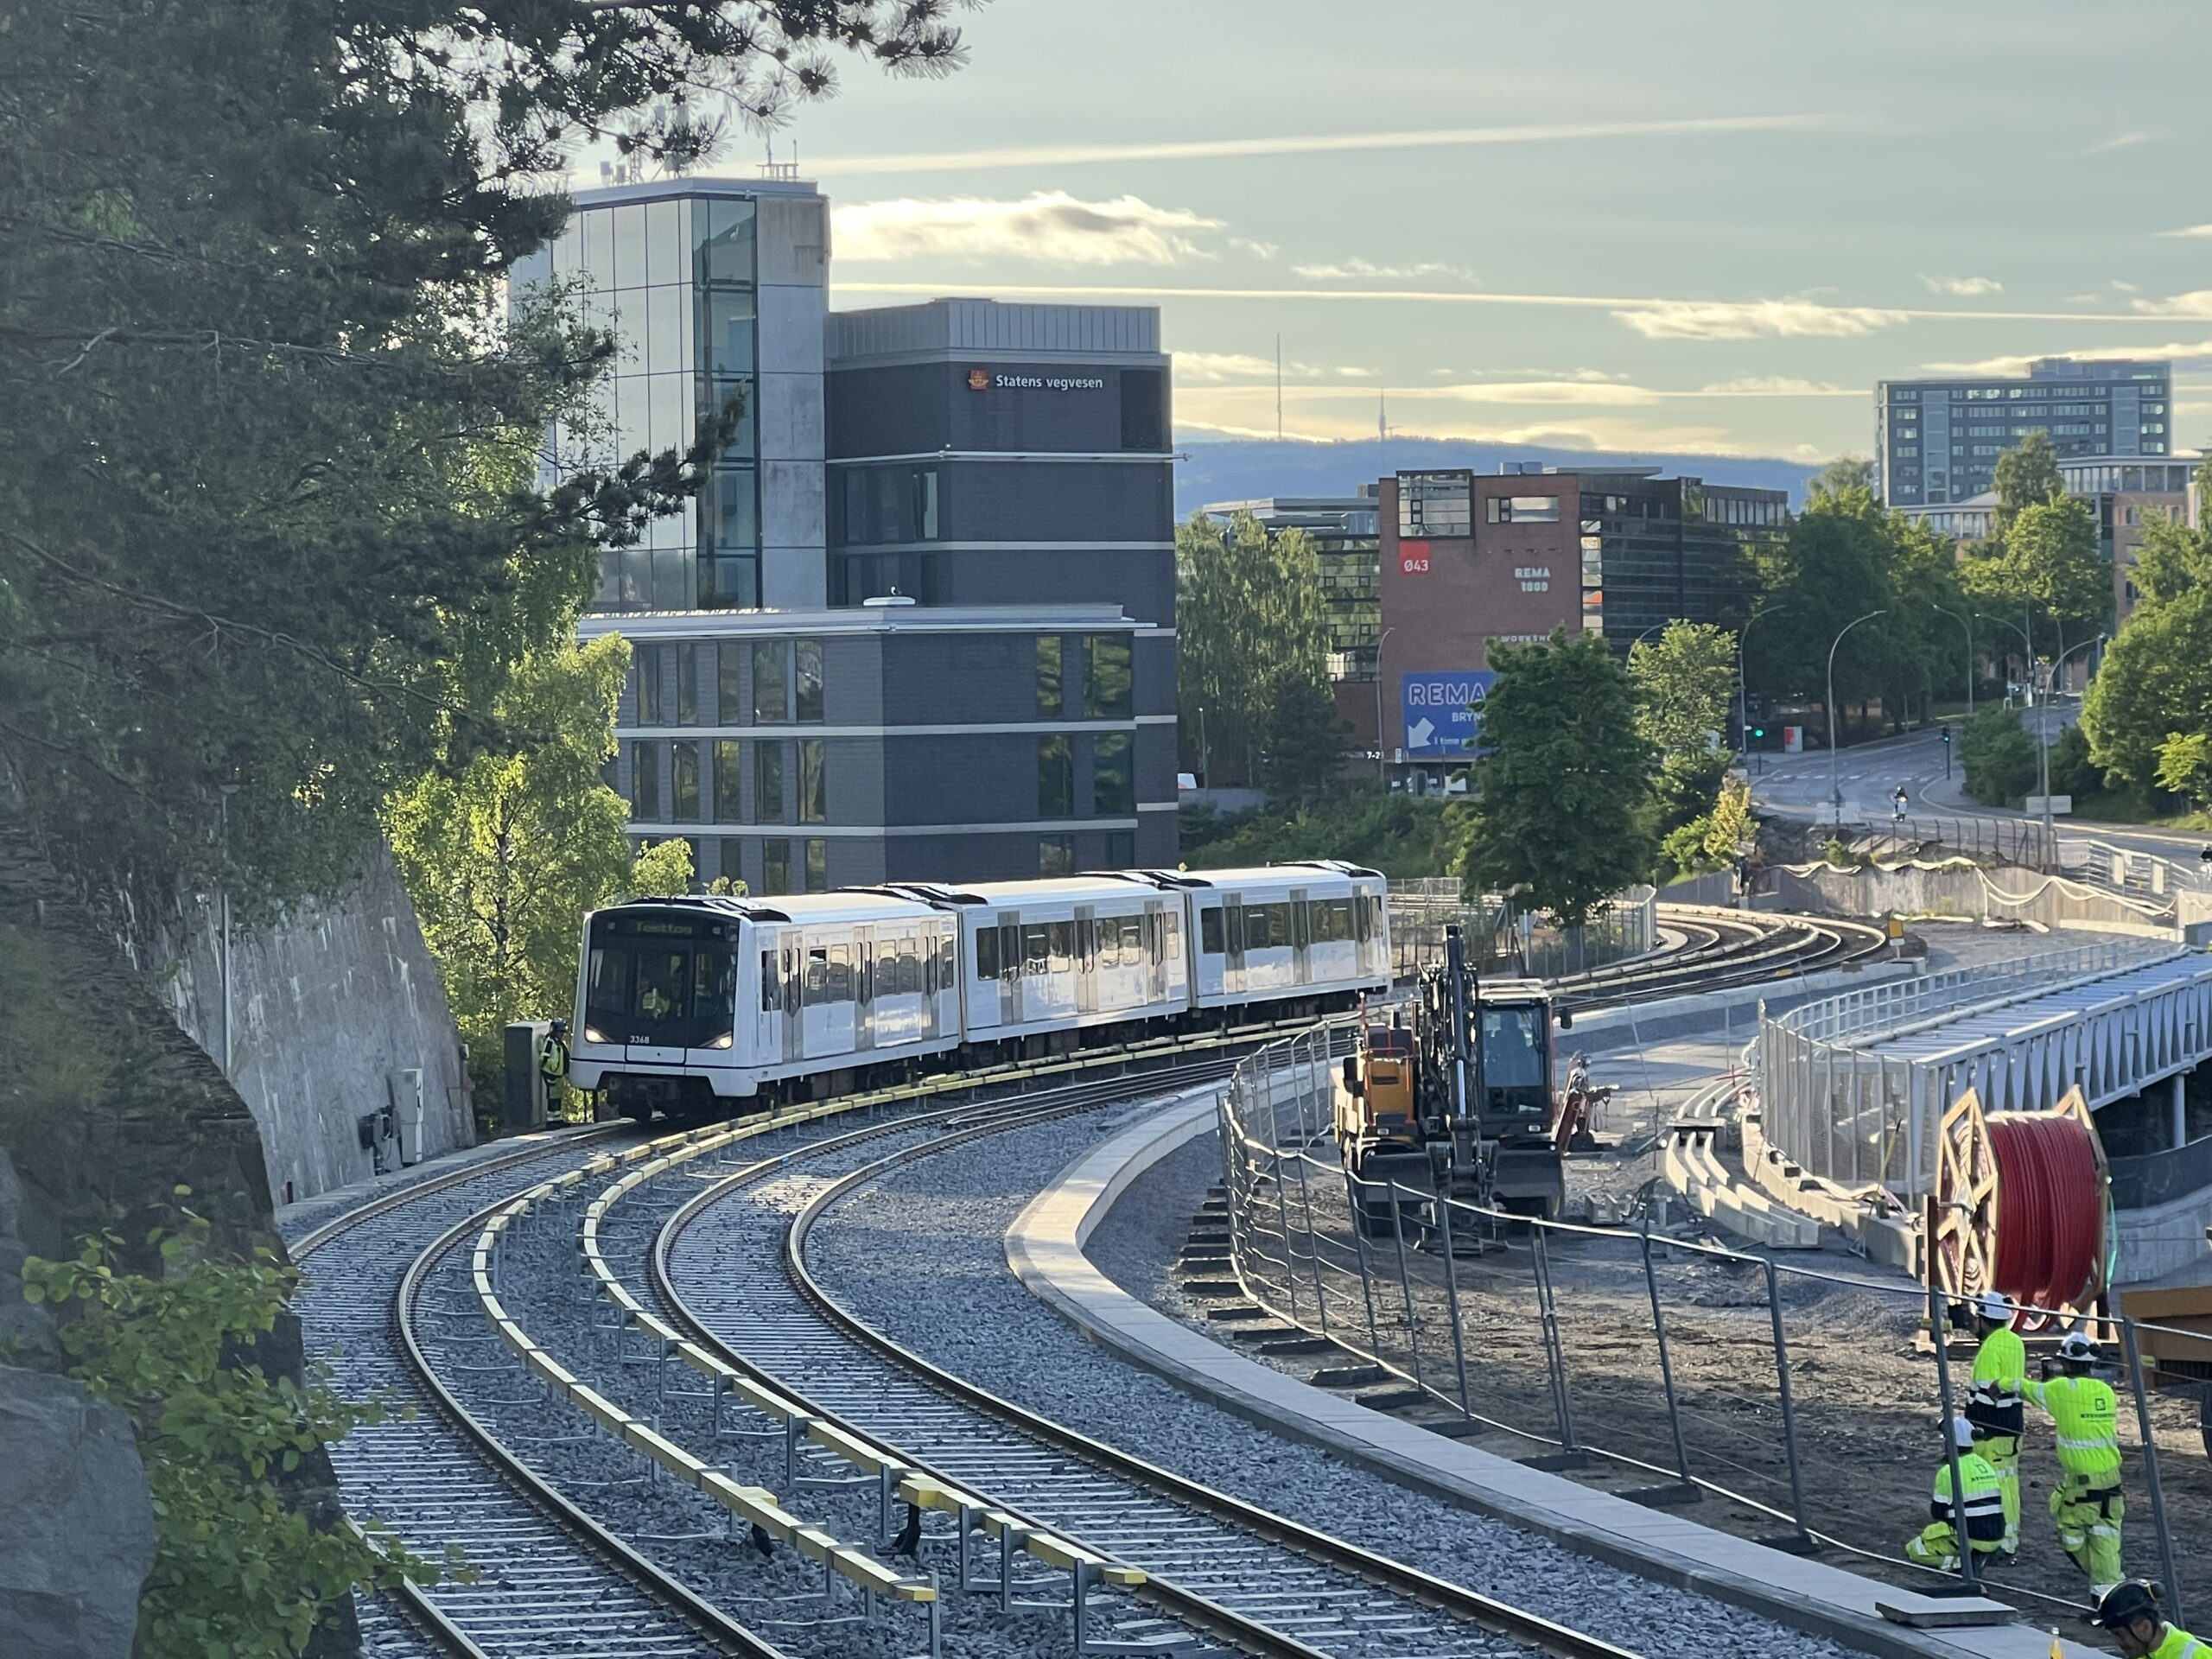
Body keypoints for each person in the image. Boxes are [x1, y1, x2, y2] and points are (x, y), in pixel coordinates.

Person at [2024, 1331, 2125, 1598]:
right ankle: (2110, 1588)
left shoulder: (2059, 1390)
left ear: (2065, 1364)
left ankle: (2109, 1589)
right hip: (2110, 1480)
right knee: (2106, 1537)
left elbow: (2028, 1389)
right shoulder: (2105, 1390)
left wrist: (2002, 1383)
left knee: (2070, 1533)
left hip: (2083, 1485)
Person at [1963, 1289, 2026, 1554]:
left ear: (1984, 1319)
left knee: (1994, 1485)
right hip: (2012, 1428)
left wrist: (1972, 1430)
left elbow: (1988, 1397)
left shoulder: (1990, 1350)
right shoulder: (2015, 1341)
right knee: (2009, 1483)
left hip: (1991, 1432)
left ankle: (2000, 1540)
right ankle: (2009, 1540)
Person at [1903, 1415, 2006, 1573]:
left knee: (1916, 1549)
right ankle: (1980, 1554)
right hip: (1996, 1535)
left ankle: (1961, 1564)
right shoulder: (1983, 1464)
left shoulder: (1949, 1470)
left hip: (1971, 1537)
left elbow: (1937, 1512)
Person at [2094, 1580, 2205, 1658]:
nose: (2117, 1642)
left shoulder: (2197, 1655)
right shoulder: (2141, 1652)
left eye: (2119, 1634)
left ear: (2144, 1627)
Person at [537, 1018, 571, 1127]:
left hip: (558, 1074)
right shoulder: (550, 1043)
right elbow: (543, 1059)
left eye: (563, 1032)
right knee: (552, 1099)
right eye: (560, 1032)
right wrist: (548, 1072)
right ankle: (551, 1121)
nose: (562, 1034)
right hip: (551, 1074)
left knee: (557, 1097)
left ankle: (557, 1119)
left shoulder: (559, 1043)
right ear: (554, 1031)